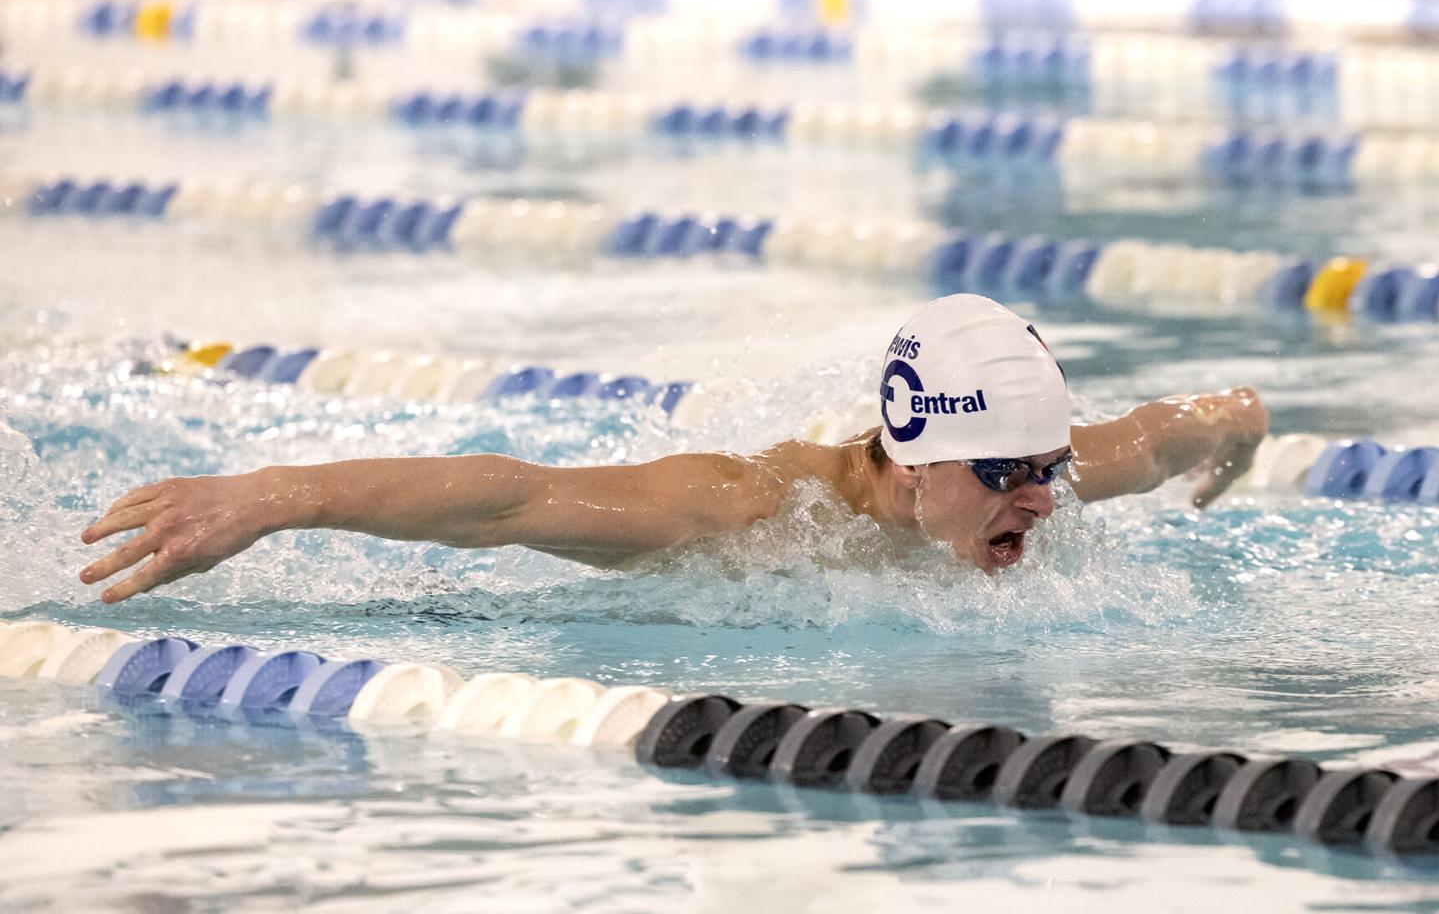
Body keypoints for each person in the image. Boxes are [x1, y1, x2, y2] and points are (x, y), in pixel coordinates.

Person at [80, 295, 1268, 604]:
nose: (1045, 502)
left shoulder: (1041, 484)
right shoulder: (753, 514)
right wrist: (273, 493)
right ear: (908, 464)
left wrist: (1237, 426)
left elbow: (1166, 433)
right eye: (1007, 475)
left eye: (1048, 469)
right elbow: (511, 500)